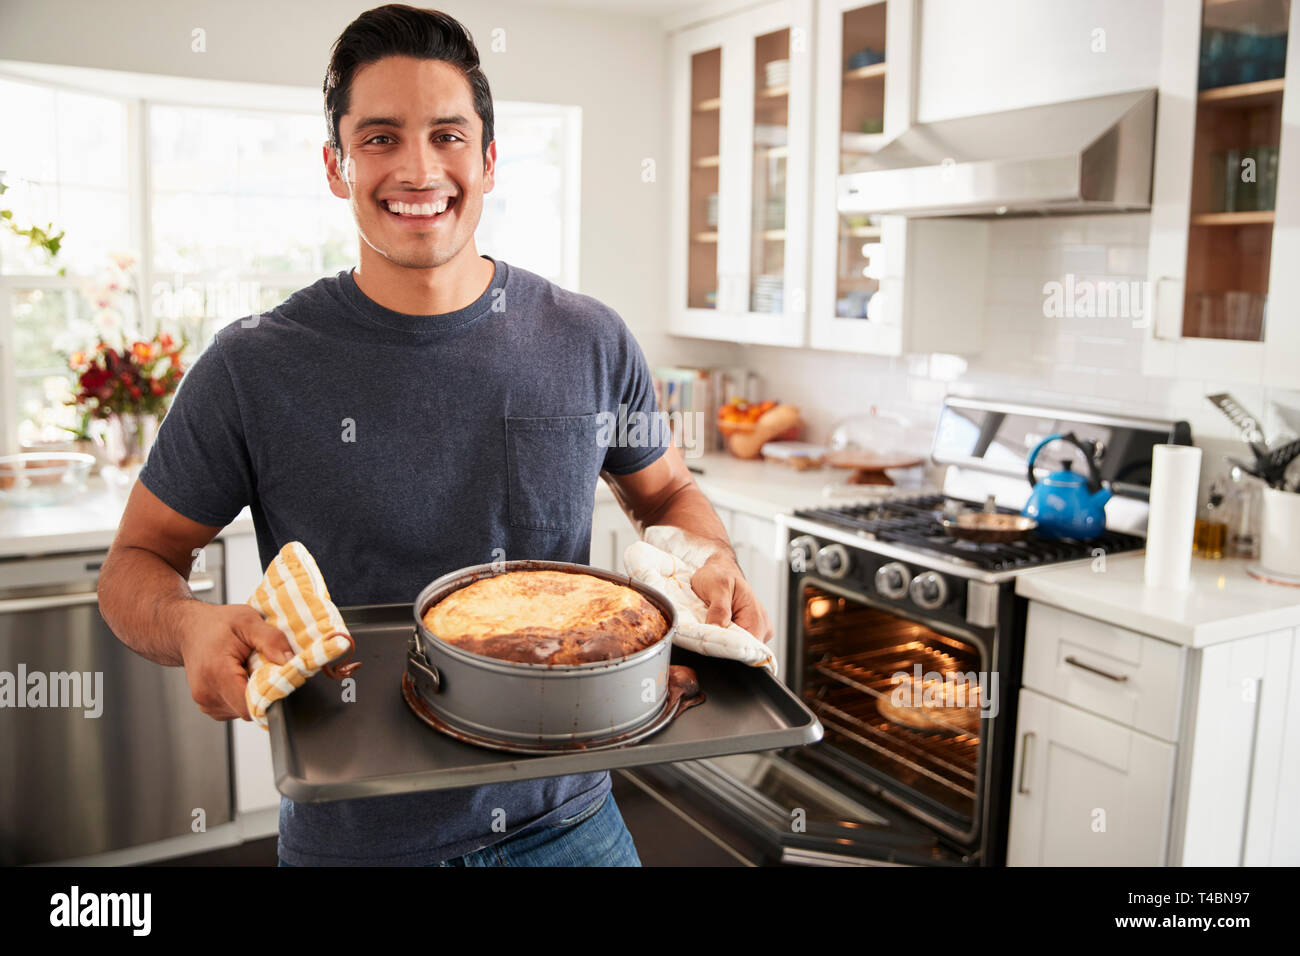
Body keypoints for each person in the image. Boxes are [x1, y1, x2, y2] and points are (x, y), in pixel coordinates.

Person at [97, 4, 772, 867]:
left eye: (448, 135)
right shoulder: (253, 366)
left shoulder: (590, 339)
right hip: (355, 838)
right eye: (379, 137)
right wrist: (192, 627)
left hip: (570, 824)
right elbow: (134, 566)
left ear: (488, 160)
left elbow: (668, 492)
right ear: (336, 167)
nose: (419, 167)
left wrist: (711, 555)